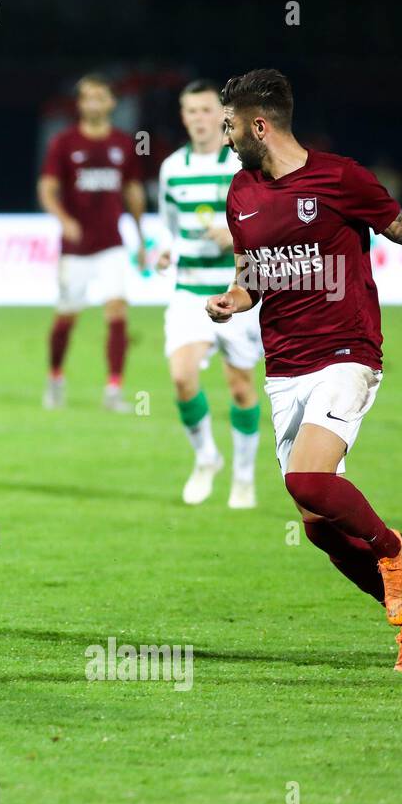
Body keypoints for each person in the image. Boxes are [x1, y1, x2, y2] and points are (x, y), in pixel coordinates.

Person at [207, 69, 402, 673]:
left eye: (231, 125)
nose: (225, 134)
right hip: (284, 367)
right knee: (319, 529)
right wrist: (232, 301)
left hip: (347, 354)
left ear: (259, 126)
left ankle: (396, 549)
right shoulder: (242, 191)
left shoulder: (341, 178)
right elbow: (253, 276)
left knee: (307, 481)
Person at [157, 79, 262, 507]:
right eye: (191, 111)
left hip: (236, 290)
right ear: (182, 117)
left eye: (206, 110)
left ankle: (243, 476)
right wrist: (167, 251)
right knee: (182, 376)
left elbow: (263, 218)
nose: (199, 119)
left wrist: (236, 233)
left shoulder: (242, 164)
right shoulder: (172, 168)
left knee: (239, 387)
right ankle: (206, 457)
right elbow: (170, 225)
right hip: (187, 291)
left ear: (220, 116)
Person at [38, 73, 146, 411]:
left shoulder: (123, 143)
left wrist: (140, 236)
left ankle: (114, 389)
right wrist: (64, 220)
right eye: (88, 98)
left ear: (111, 103)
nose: (94, 103)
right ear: (80, 104)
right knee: (67, 316)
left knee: (117, 310)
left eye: (101, 97)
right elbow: (47, 188)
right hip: (77, 248)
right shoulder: (64, 143)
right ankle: (55, 376)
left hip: (112, 243)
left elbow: (132, 189)